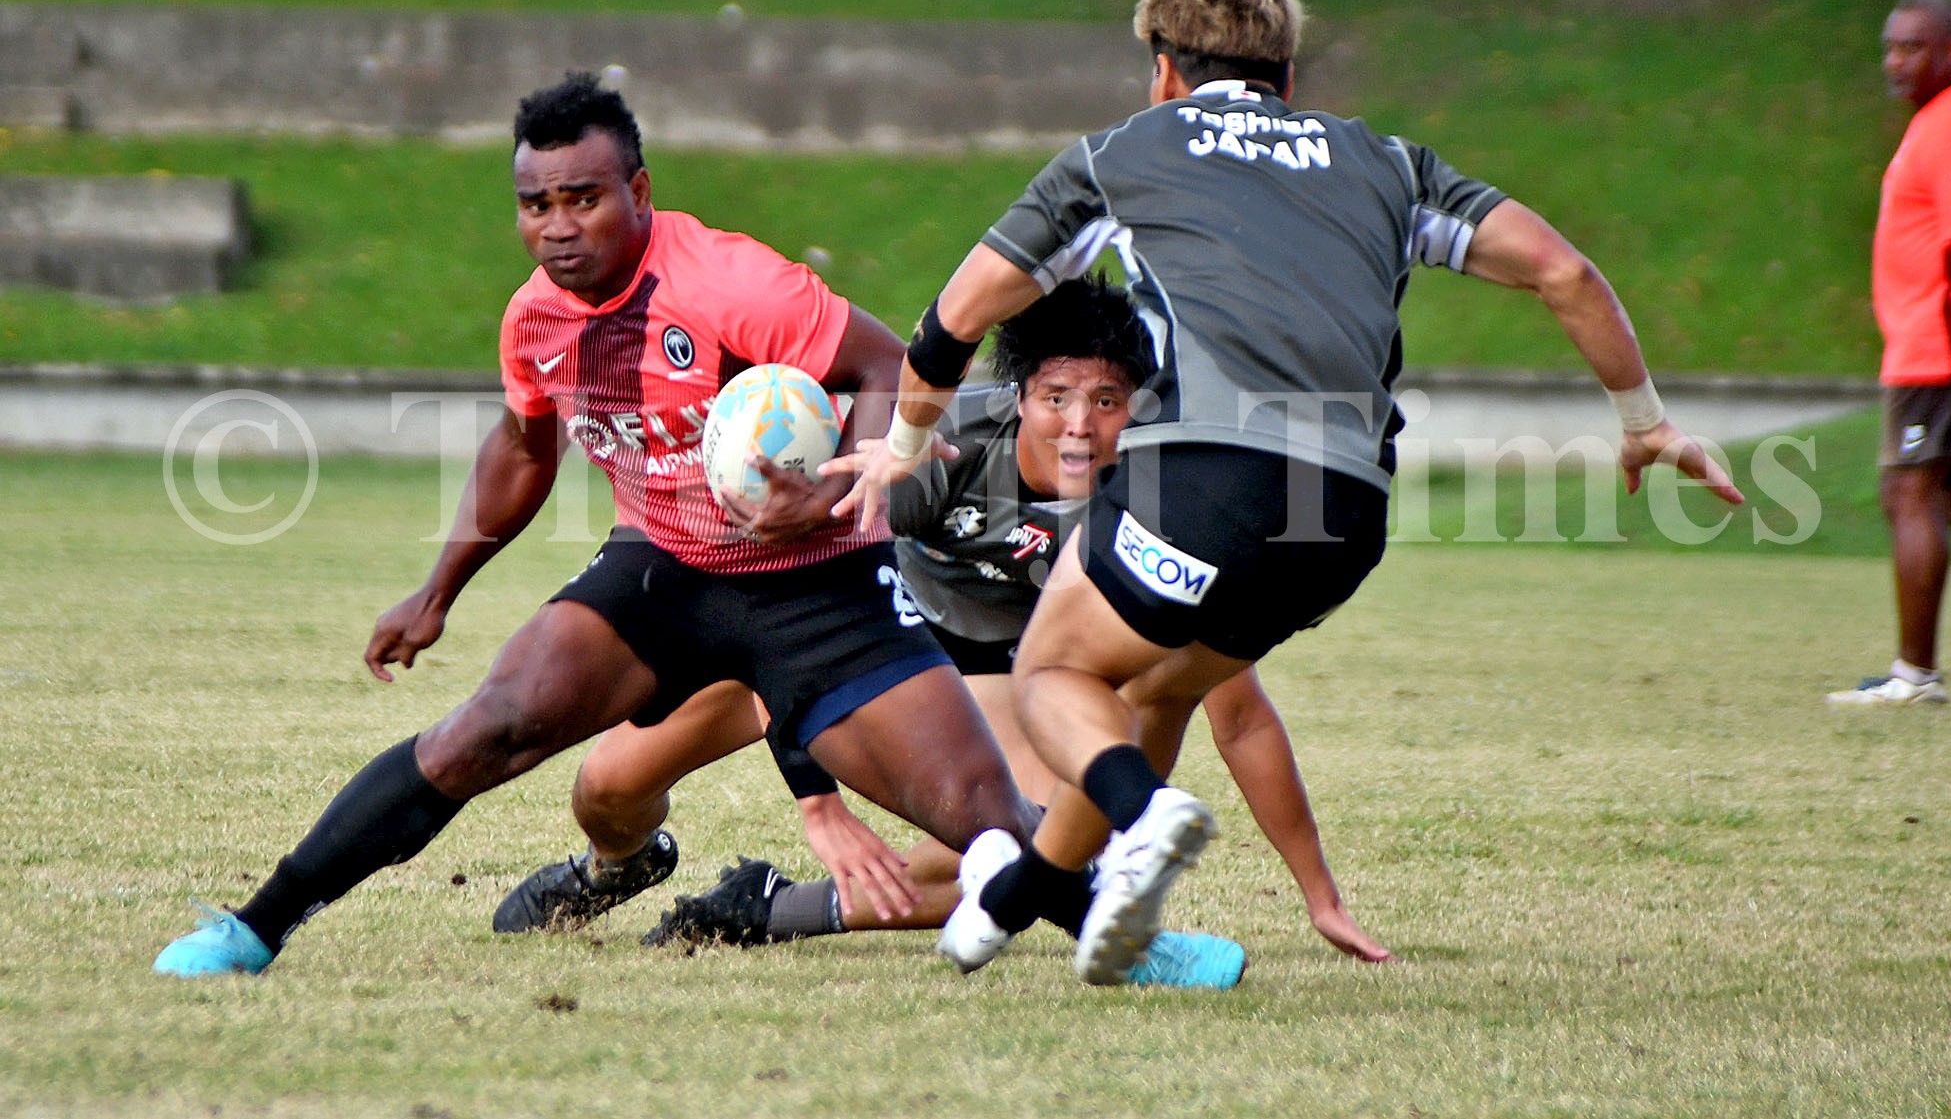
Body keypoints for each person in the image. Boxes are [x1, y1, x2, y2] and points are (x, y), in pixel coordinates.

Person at [828, 0, 1744, 987]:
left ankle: (1141, 822)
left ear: (1162, 69)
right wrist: (1642, 420)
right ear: (1289, 78)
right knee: (1163, 688)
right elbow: (1561, 271)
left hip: (1210, 474)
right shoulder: (1389, 165)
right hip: (1345, 514)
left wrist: (901, 447)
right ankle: (1028, 899)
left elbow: (954, 320)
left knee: (1053, 670)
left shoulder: (1124, 151)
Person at [152, 71, 1038, 977]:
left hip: (818, 585)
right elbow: (525, 449)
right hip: (662, 571)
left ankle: (1160, 948)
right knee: (487, 729)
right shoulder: (535, 317)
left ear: (639, 192)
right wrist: (438, 589)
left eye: (583, 198)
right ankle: (254, 926)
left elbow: (889, 363)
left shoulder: (732, 281)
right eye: (536, 204)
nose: (558, 225)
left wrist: (837, 490)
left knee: (989, 820)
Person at [493, 276, 1389, 986]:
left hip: (1011, 678)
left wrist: (1319, 894)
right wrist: (818, 795)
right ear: (1019, 394)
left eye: (1109, 399)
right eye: (1057, 395)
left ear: (1143, 406)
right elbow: (802, 590)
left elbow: (1236, 707)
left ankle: (761, 907)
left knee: (1015, 848)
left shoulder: (1162, 506)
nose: (1080, 423)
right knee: (608, 781)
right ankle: (614, 864)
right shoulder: (950, 443)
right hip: (868, 635)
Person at [1828, 0, 1951, 709]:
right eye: (1891, 47)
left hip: (1948, 348)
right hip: (1949, 344)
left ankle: (1914, 676)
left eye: (1914, 46)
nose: (1896, 61)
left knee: (1911, 489)